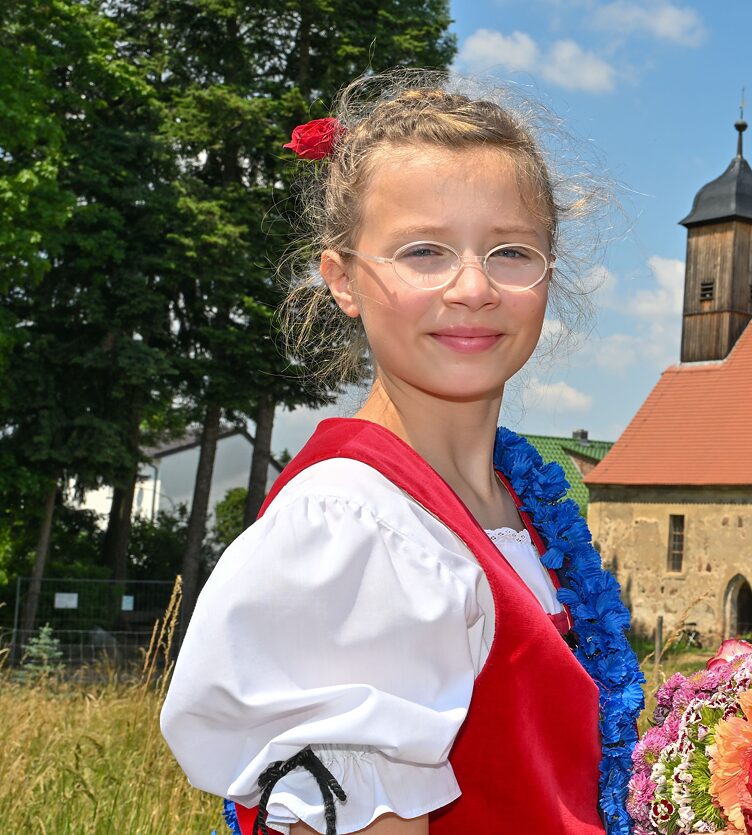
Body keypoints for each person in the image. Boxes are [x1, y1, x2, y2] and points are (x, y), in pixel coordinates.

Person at [161, 75, 642, 835]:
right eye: (424, 251)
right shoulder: (356, 527)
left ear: (550, 271)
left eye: (512, 251)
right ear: (343, 279)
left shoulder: (521, 504)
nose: (474, 287)